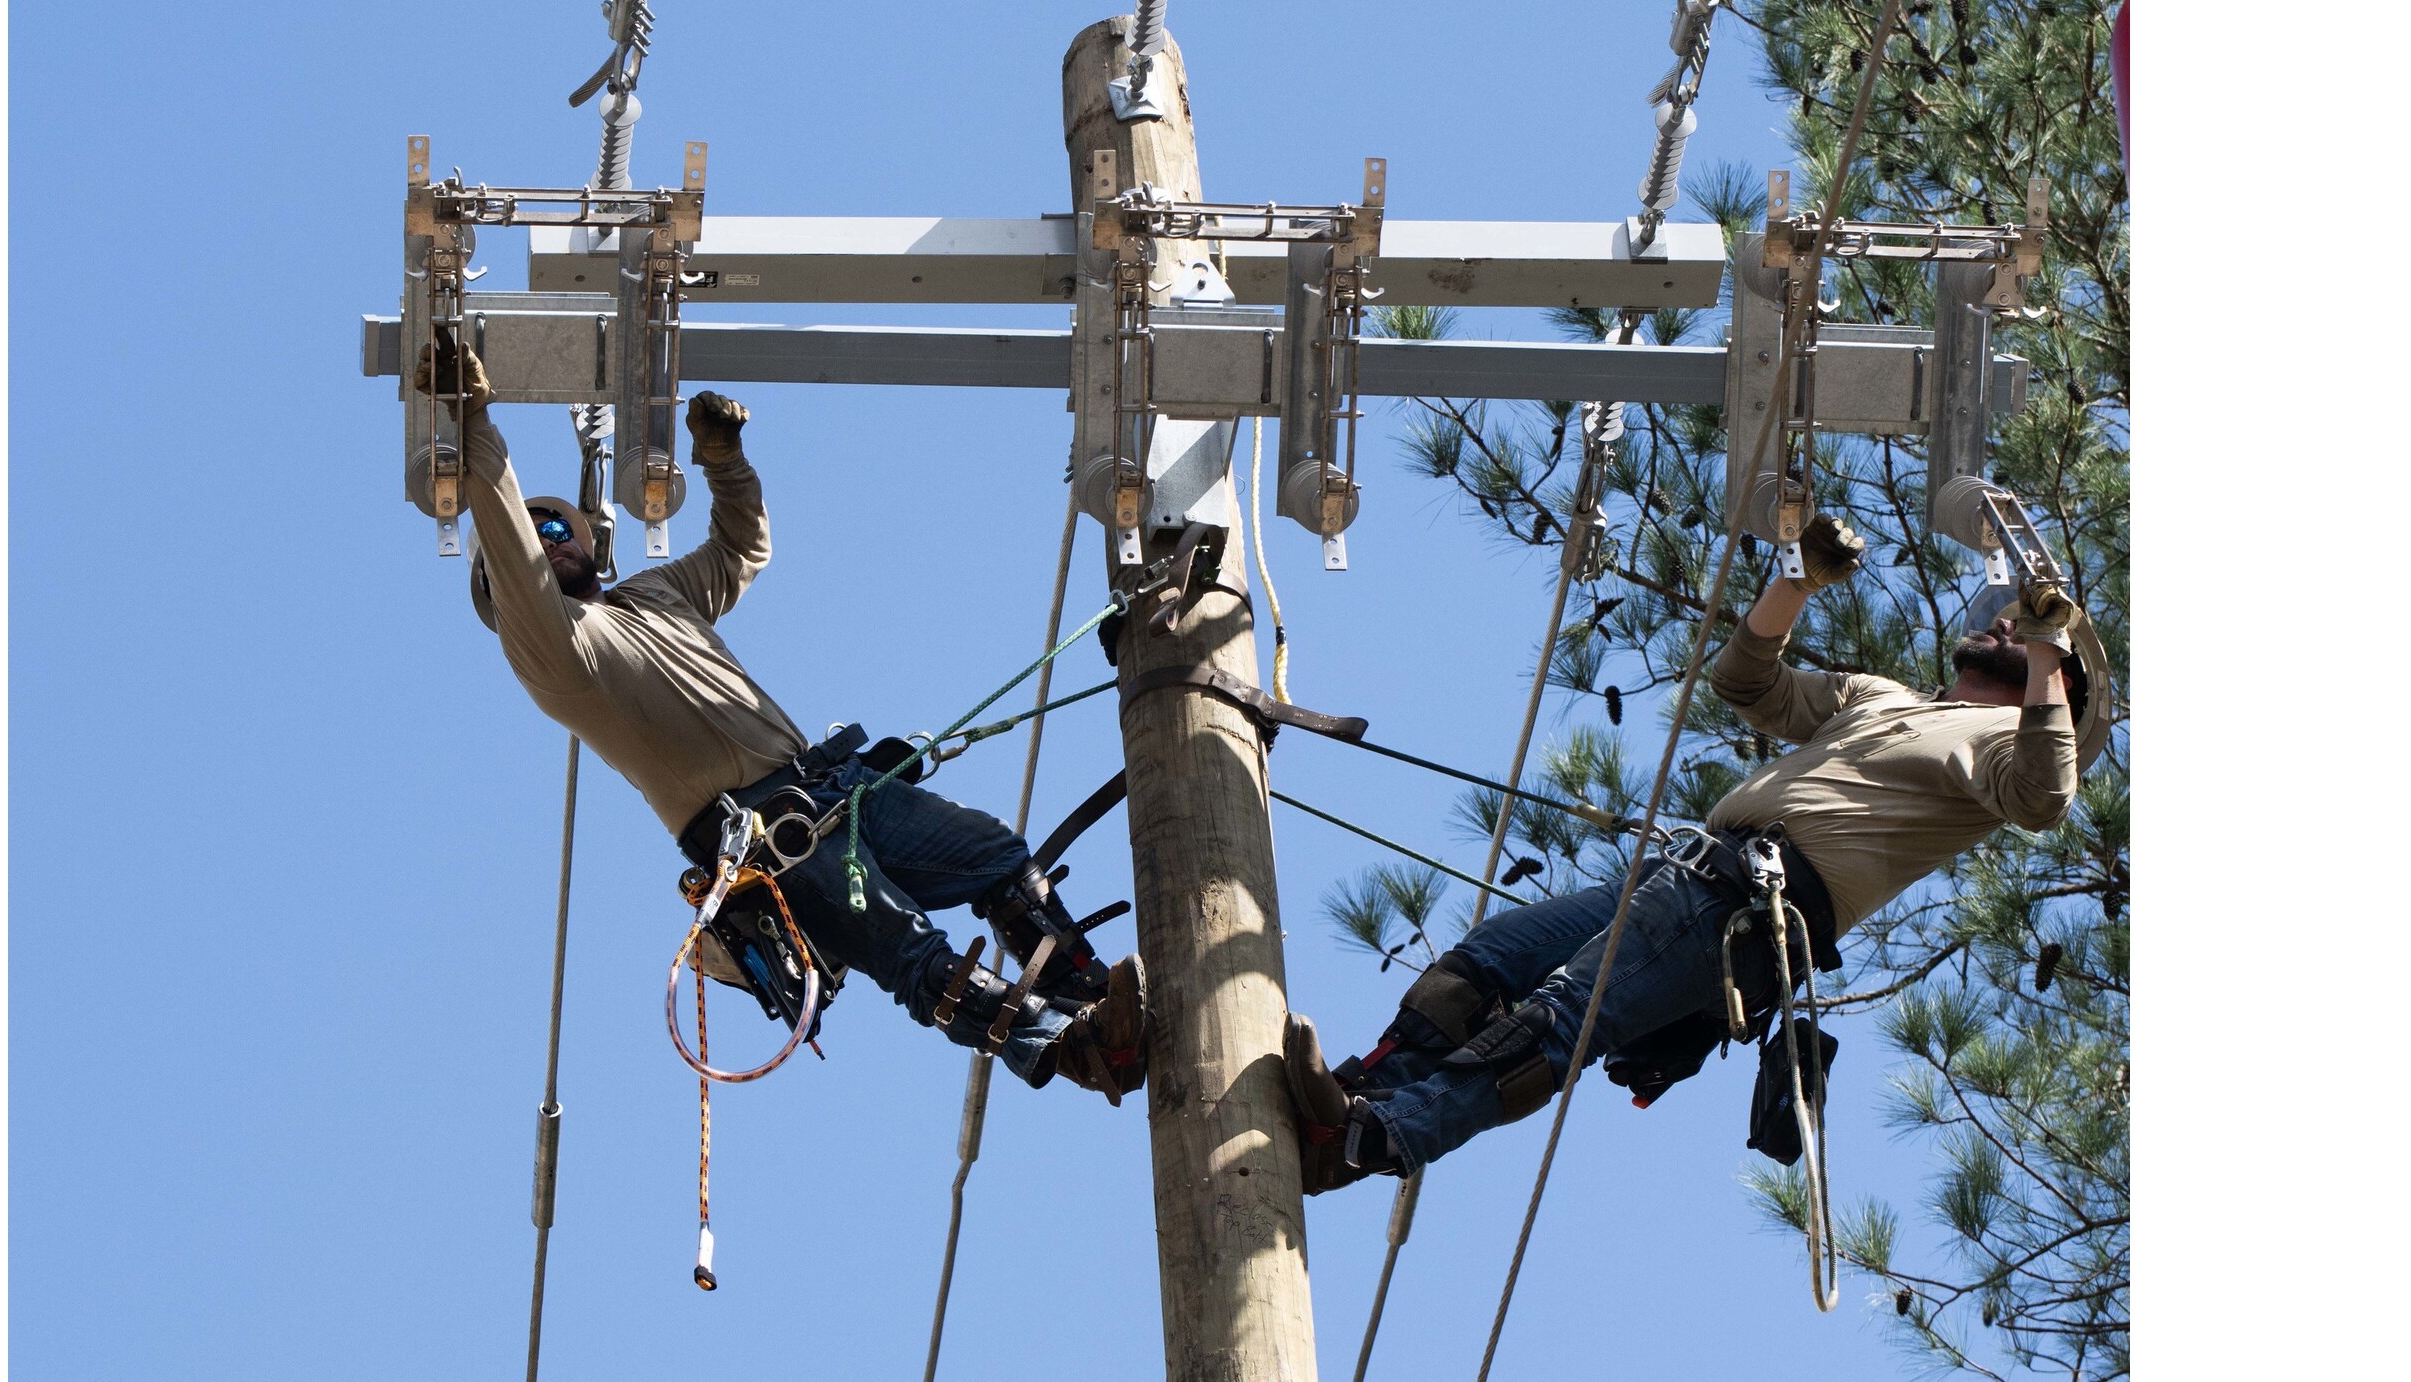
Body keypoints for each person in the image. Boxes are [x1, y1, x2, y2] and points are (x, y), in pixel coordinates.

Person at [420, 339, 1145, 1102]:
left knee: (996, 856)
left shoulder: (654, 593)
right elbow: (505, 539)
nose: (545, 540)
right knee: (908, 951)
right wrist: (473, 423)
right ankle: (1079, 1050)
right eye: (530, 543)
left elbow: (740, 551)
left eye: (558, 528)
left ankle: (1087, 991)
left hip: (839, 788)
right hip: (771, 837)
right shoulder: (556, 655)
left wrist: (724, 462)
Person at [1283, 517, 2082, 1191]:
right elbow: (1746, 681)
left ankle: (1374, 1137)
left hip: (1746, 907)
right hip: (1696, 875)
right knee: (1487, 961)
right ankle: (1357, 1097)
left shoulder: (2013, 740)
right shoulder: (1882, 700)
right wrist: (1798, 578)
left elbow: (2045, 798)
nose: (2004, 620)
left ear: (2061, 682)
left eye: (2023, 623)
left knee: (1563, 1013)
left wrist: (2050, 651)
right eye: (2006, 613)